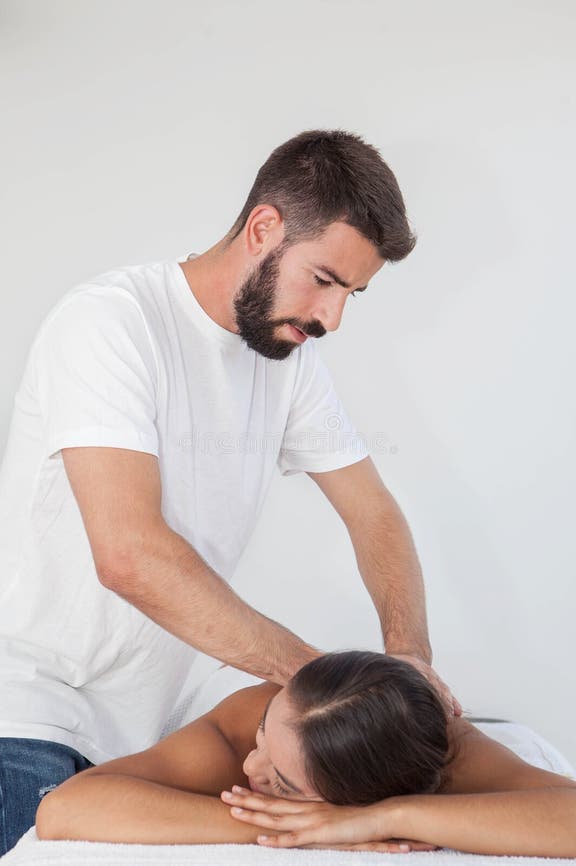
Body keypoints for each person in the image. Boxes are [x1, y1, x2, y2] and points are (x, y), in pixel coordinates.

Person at [0, 128, 460, 855]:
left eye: (353, 293)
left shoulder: (289, 363)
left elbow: (373, 514)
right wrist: (326, 688)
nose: (332, 317)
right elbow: (129, 556)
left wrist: (407, 661)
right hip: (33, 707)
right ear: (263, 228)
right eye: (325, 280)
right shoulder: (111, 324)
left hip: (160, 718)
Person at [35, 651, 576, 857]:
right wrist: (292, 824)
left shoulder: (450, 753)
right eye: (267, 739)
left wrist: (378, 819)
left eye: (284, 785)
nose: (251, 768)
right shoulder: (247, 719)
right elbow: (64, 808)